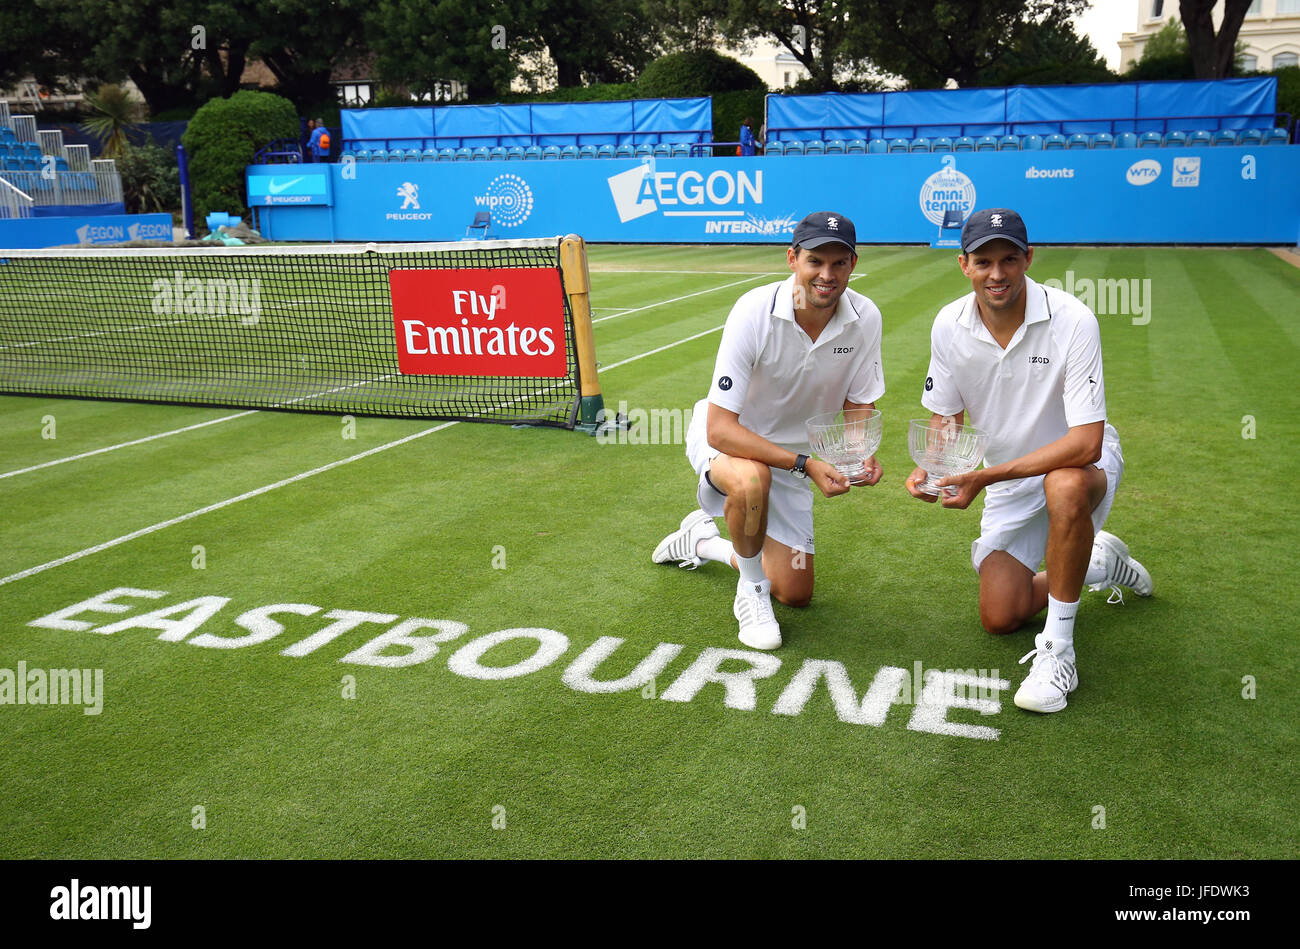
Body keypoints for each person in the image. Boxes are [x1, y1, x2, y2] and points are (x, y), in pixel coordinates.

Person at [906, 207, 1152, 714]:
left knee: (1062, 486)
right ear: (964, 264)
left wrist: (983, 476)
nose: (997, 274)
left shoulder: (1073, 320)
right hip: (1008, 480)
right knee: (1000, 616)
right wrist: (934, 466)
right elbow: (945, 417)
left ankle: (1058, 651)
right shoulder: (948, 325)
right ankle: (1099, 562)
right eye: (984, 262)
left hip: (1079, 467)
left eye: (1009, 260)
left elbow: (1085, 442)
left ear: (1028, 259)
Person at [652, 211, 885, 650]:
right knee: (751, 479)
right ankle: (751, 594)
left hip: (798, 458)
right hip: (735, 442)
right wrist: (806, 465)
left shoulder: (865, 317)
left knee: (795, 592)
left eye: (839, 263)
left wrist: (857, 455)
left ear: (853, 264)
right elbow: (720, 429)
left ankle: (704, 543)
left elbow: (859, 403)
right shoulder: (754, 310)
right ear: (793, 258)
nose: (827, 275)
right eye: (816, 261)